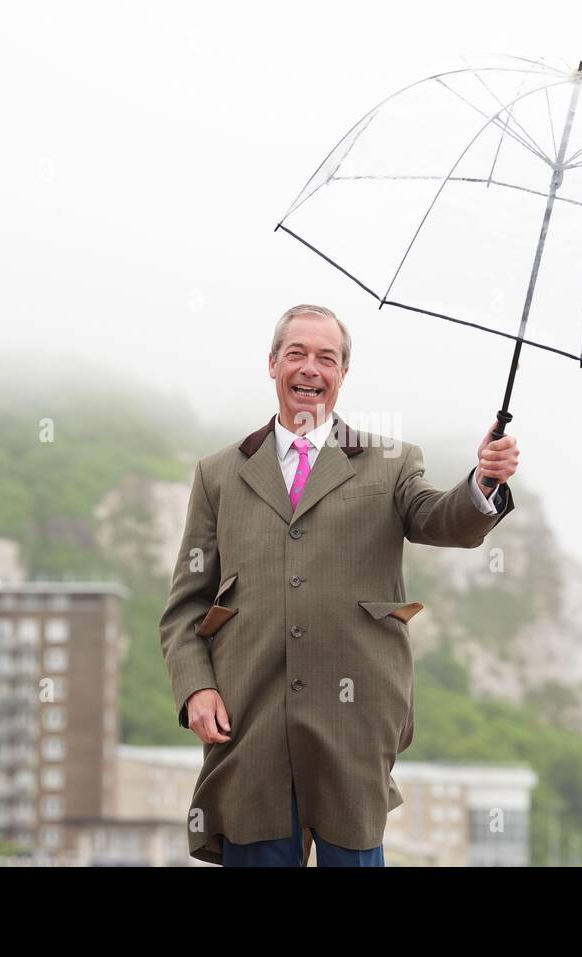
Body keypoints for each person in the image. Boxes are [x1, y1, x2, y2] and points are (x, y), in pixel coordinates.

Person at [159, 303, 519, 866]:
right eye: (297, 354)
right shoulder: (219, 473)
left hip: (355, 722)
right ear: (273, 363)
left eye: (326, 358)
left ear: (343, 374)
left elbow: (442, 519)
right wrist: (195, 689)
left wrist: (483, 482)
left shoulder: (392, 461)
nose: (310, 368)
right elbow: (185, 606)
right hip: (250, 721)